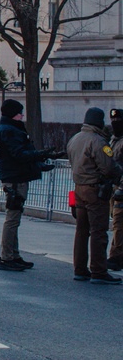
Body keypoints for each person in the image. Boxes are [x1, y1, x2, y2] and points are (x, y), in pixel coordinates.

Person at [0, 99, 56, 272]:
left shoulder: (8, 129)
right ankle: (7, 257)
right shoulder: (10, 131)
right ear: (13, 113)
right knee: (12, 218)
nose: (22, 115)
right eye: (20, 112)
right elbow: (19, 155)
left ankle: (13, 255)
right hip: (15, 179)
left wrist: (41, 164)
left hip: (15, 176)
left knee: (14, 218)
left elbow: (18, 156)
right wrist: (40, 156)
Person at [67, 107, 122, 284]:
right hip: (95, 191)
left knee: (81, 231)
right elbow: (108, 167)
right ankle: (98, 271)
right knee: (98, 231)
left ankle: (80, 269)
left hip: (79, 189)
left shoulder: (75, 139)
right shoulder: (98, 141)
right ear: (99, 122)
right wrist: (118, 172)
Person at [107, 109, 123, 271]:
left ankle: (116, 256)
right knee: (116, 221)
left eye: (119, 120)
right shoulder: (113, 140)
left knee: (119, 223)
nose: (115, 122)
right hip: (114, 187)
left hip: (120, 188)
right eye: (114, 120)